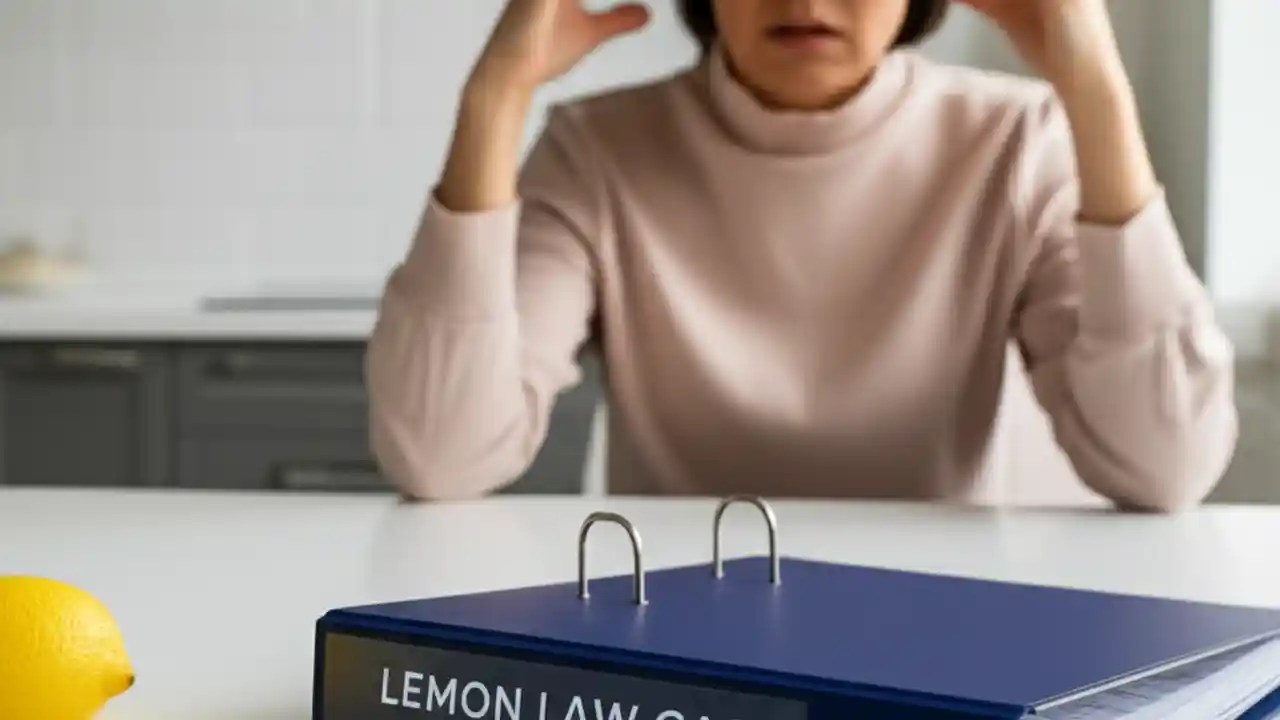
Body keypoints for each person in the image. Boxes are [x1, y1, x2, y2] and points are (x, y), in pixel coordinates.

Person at [366, 0, 1237, 508]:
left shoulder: (1017, 140)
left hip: (952, 616)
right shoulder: (598, 152)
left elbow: (1165, 466)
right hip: (688, 630)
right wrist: (494, 98)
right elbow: (443, 455)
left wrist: (1096, 89)